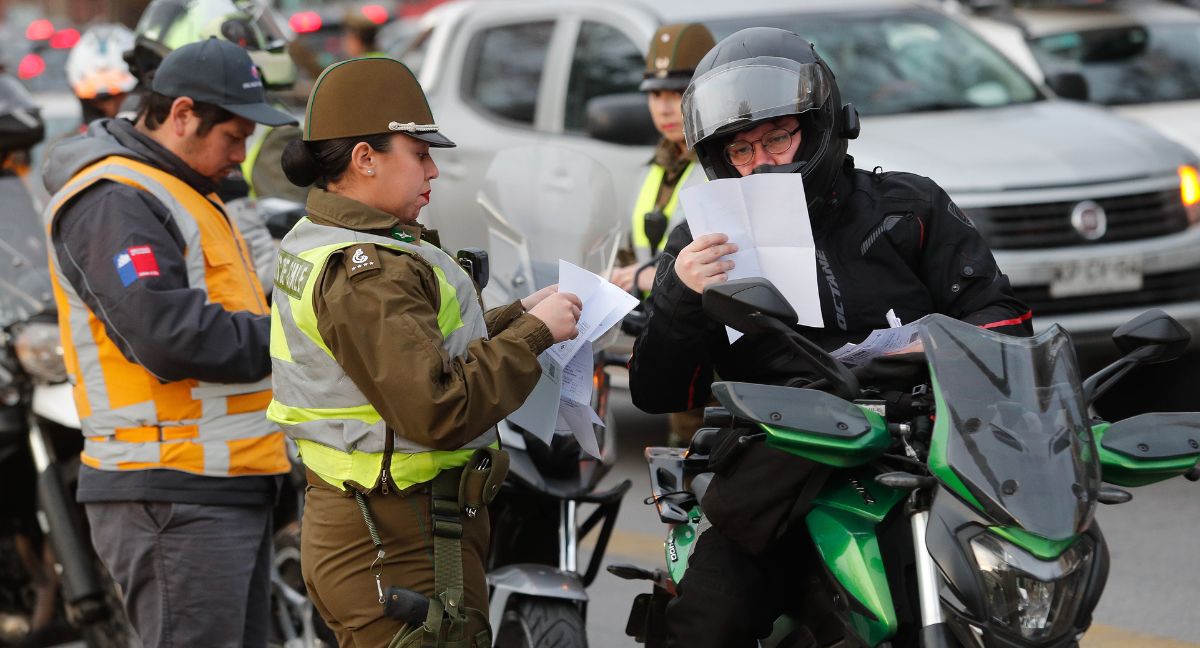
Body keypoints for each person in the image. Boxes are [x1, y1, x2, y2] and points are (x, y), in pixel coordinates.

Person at [627, 28, 1033, 647]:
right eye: (740, 149)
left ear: (821, 127)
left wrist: (935, 347)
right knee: (707, 624)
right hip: (781, 468)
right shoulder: (701, 243)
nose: (761, 160)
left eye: (778, 137)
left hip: (929, 454)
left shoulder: (909, 207)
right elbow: (657, 390)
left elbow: (1002, 317)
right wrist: (681, 293)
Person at [268, 57, 582, 647]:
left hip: (373, 527)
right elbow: (435, 405)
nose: (433, 170)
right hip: (396, 536)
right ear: (365, 158)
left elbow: (409, 350)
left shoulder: (334, 239)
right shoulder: (368, 271)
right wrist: (534, 335)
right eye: (418, 153)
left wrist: (519, 316)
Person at [42, 38, 298, 648]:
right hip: (172, 494)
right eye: (232, 137)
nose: (241, 156)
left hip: (219, 486)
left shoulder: (188, 190)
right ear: (181, 114)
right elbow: (168, 335)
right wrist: (306, 338)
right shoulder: (116, 200)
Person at [609, 22, 714, 295]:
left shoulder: (727, 165)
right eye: (655, 94)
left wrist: (655, 277)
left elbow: (731, 269)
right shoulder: (657, 165)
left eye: (678, 92)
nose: (664, 108)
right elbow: (634, 252)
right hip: (652, 321)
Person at [65, 24, 138, 128]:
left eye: (118, 95)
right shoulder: (70, 142)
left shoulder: (151, 140)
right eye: (102, 98)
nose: (108, 106)